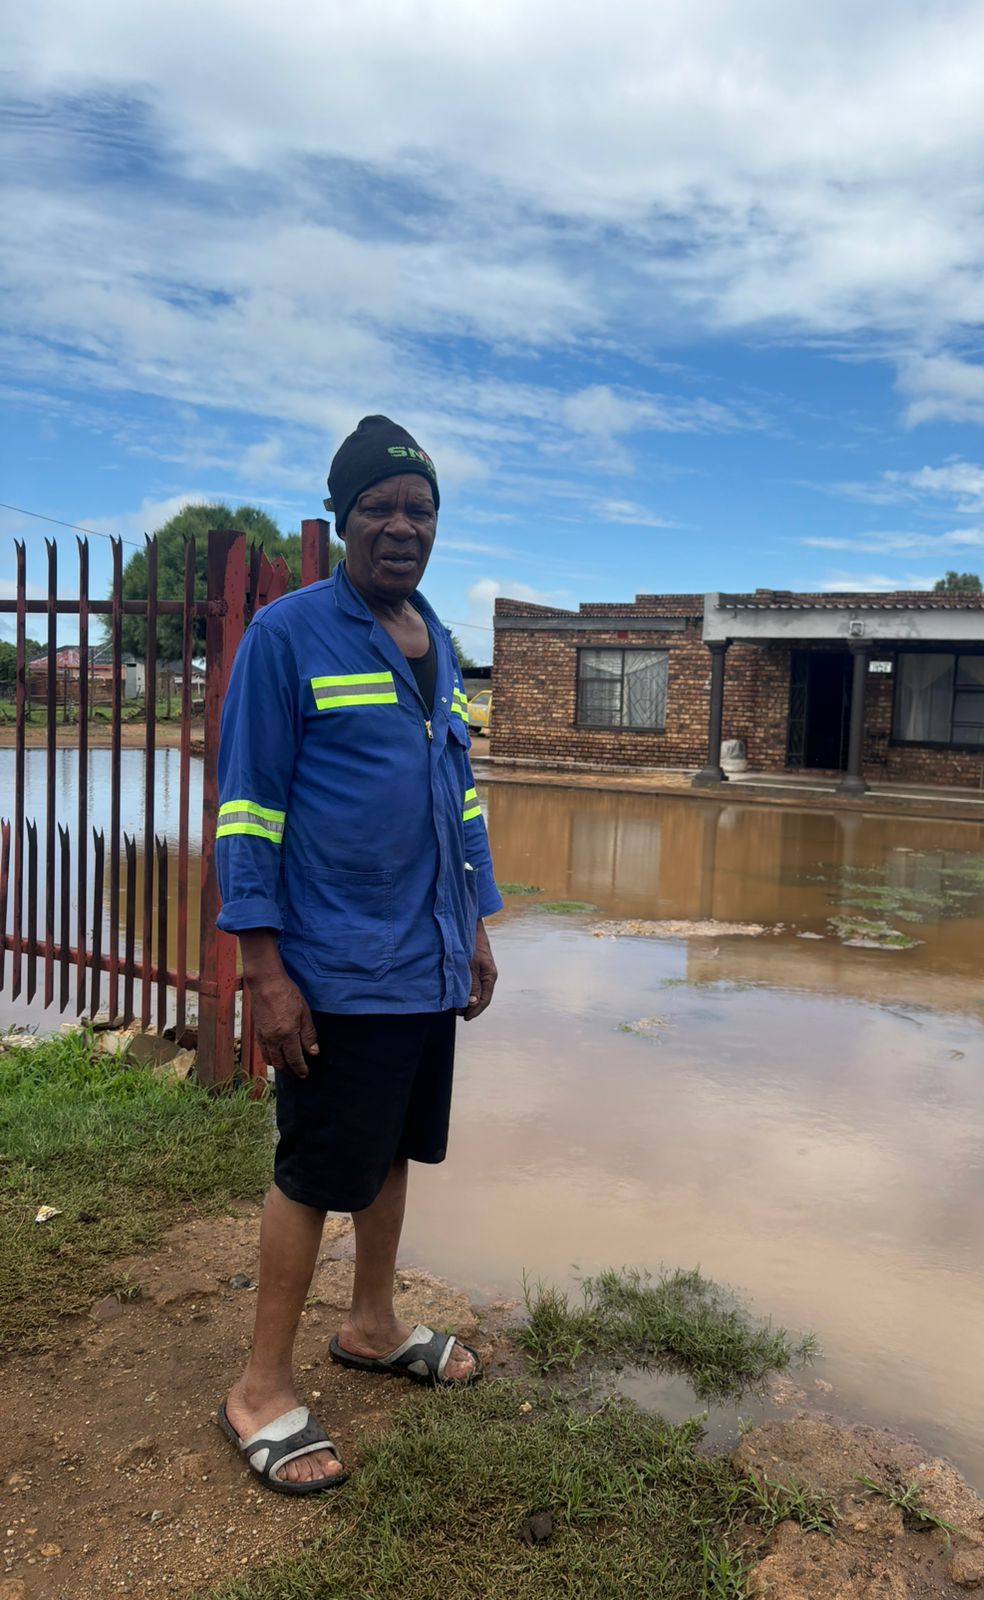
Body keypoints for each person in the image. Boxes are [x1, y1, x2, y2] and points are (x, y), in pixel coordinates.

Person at [213, 416, 502, 1495]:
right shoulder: (288, 636)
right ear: (343, 520)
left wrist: (476, 922)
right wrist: (264, 968)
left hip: (426, 955)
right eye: (377, 506)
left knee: (391, 1150)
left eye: (418, 509)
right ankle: (259, 1387)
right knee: (315, 1169)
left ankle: (373, 1325)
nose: (400, 526)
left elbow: (458, 796)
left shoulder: (440, 640)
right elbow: (249, 808)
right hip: (334, 961)